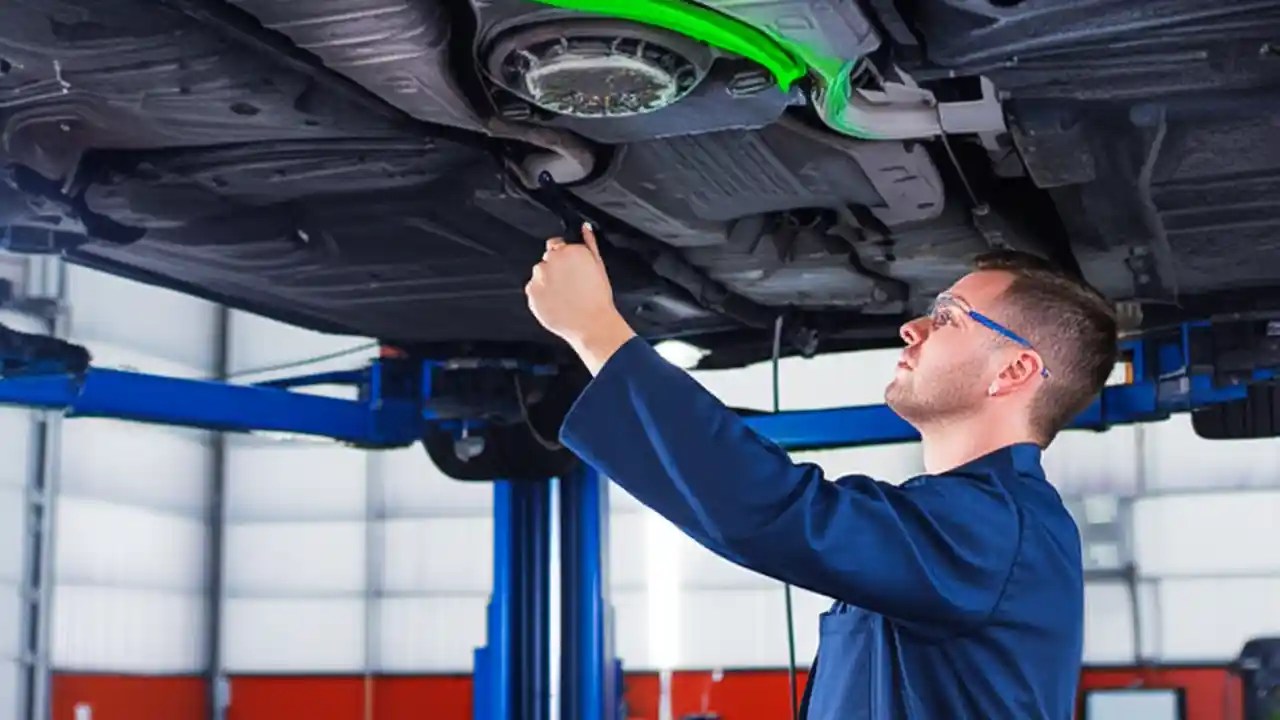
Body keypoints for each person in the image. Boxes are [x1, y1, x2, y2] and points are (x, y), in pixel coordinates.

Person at [525, 223, 1119, 719]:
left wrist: (597, 331)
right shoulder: (962, 523)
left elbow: (779, 513)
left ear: (1013, 372)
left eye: (949, 316)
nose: (913, 328)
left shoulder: (995, 528)